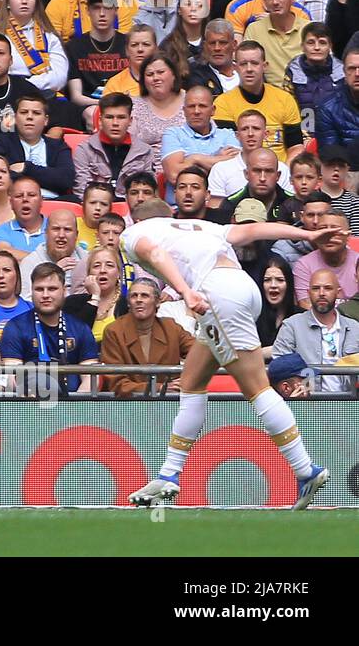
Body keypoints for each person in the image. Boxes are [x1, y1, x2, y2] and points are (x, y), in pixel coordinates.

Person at [122, 199, 335, 510]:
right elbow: (253, 231)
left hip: (217, 295)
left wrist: (185, 291)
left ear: (135, 218)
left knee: (257, 388)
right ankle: (169, 474)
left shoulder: (135, 233)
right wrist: (307, 235)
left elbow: (154, 253)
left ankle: (306, 471)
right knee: (192, 381)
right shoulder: (202, 226)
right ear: (169, 214)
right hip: (245, 289)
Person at [0, 262, 101, 395]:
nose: (45, 295)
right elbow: (11, 377)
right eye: (39, 289)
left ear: (64, 291)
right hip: (29, 401)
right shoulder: (15, 327)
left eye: (52, 289)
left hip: (73, 401)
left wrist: (75, 403)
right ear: (31, 292)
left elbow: (91, 376)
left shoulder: (80, 328)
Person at [99, 277, 193, 398]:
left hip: (168, 401)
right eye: (134, 296)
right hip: (127, 402)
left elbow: (198, 354)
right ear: (128, 303)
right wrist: (159, 388)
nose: (138, 300)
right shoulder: (113, 331)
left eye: (145, 296)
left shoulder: (171, 327)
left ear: (157, 302)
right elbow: (116, 382)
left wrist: (188, 380)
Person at [273, 268, 359, 394]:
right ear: (308, 293)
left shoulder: (355, 328)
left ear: (338, 292)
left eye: (328, 288)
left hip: (350, 401)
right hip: (306, 401)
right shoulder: (292, 326)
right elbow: (279, 367)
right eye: (316, 288)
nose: (321, 293)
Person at [0, 94, 74, 199]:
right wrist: (48, 177)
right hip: (14, 201)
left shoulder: (58, 146)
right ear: (15, 118)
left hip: (55, 202)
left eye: (36, 113)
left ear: (46, 120)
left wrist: (26, 168)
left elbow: (65, 180)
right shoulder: (0, 143)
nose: (29, 117)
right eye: (24, 112)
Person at [72, 92, 153, 198]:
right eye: (109, 117)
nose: (115, 123)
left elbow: (148, 191)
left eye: (121, 117)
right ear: (100, 120)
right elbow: (82, 191)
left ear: (130, 121)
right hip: (97, 204)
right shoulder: (84, 149)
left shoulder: (145, 151)